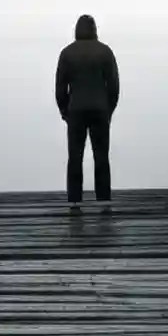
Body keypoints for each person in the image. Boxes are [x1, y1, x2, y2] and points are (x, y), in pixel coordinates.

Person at [55, 14, 119, 206]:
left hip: (76, 111)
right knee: (101, 157)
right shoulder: (105, 52)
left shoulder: (67, 53)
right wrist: (108, 110)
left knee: (75, 158)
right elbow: (114, 87)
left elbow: (60, 88)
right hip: (100, 110)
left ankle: (74, 202)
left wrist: (65, 111)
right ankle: (103, 200)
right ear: (94, 30)